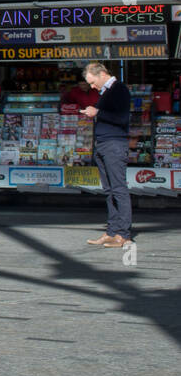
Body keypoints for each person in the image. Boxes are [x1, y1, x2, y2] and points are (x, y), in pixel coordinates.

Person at [82, 62, 133, 248]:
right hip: (103, 144)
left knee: (118, 189)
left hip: (114, 144)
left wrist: (97, 112)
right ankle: (112, 231)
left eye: (92, 82)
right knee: (109, 190)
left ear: (102, 74)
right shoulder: (106, 92)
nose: (92, 87)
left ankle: (124, 234)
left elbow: (122, 118)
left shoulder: (119, 89)